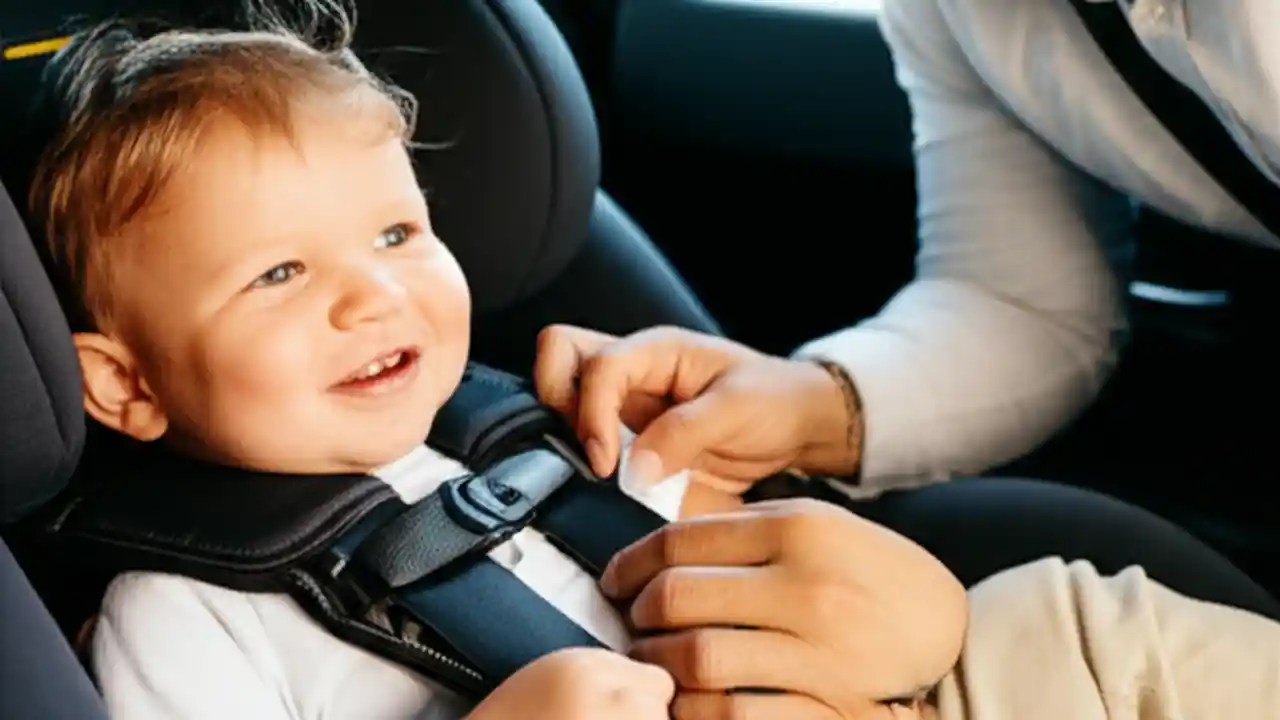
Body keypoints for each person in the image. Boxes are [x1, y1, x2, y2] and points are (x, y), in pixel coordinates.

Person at [26, 4, 966, 718]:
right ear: (126, 383)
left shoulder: (560, 440)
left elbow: (807, 579)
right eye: (278, 272)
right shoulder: (181, 616)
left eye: (396, 233)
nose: (374, 296)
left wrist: (929, 620)